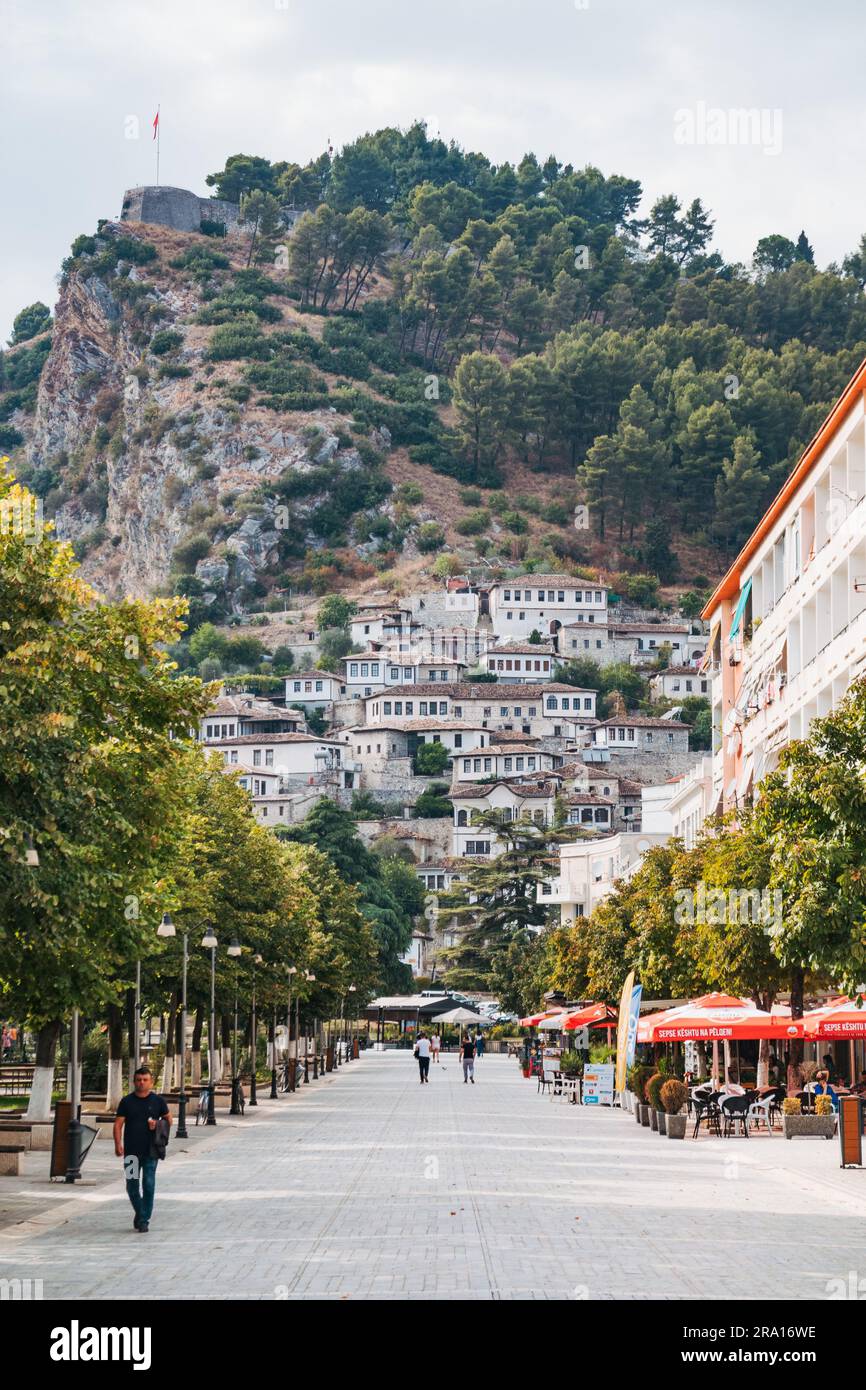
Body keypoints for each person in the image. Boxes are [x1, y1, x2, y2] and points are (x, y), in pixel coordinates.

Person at [113, 1065, 171, 1233]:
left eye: (145, 1080)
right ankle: (141, 1213)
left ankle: (144, 1219)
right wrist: (118, 1144)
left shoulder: (158, 1101)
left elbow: (169, 1120)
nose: (141, 1083)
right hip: (131, 1152)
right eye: (138, 1080)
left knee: (148, 1184)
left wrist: (157, 1124)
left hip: (151, 1151)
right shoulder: (126, 1102)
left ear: (151, 1082)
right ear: (133, 1082)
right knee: (131, 1186)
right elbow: (118, 1125)